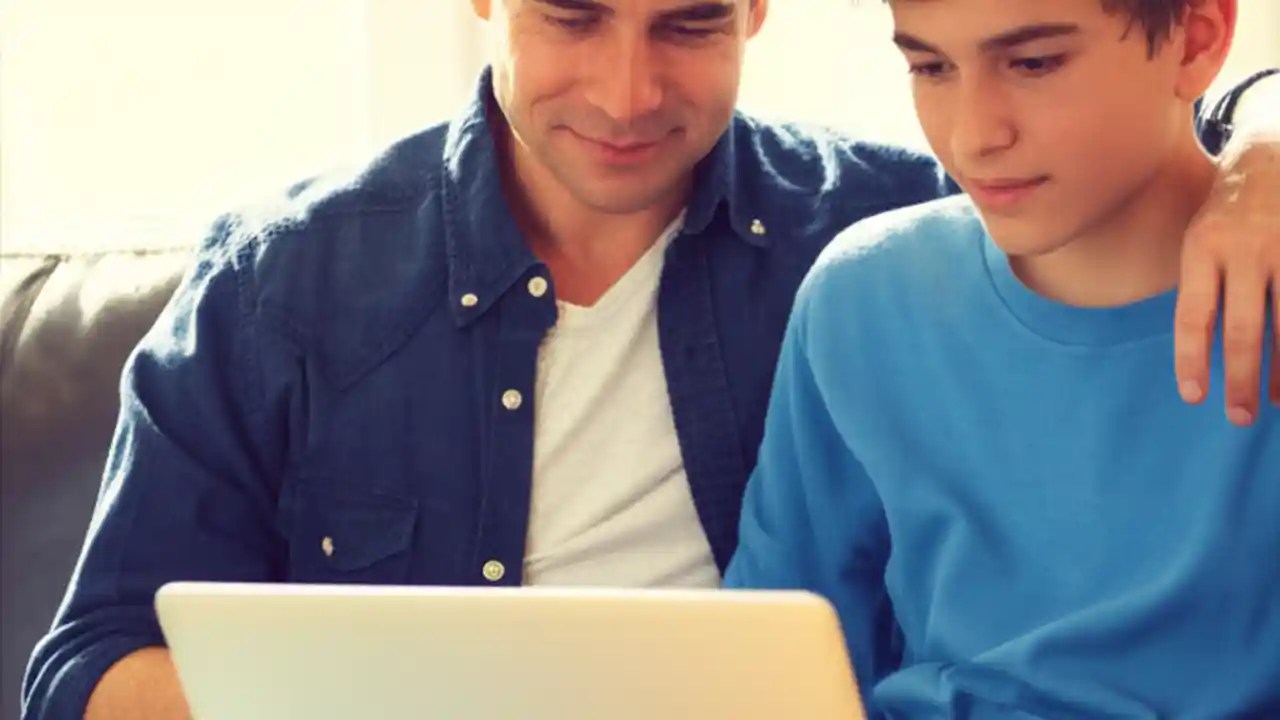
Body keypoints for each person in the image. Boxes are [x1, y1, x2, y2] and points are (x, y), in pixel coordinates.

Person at [20, 1, 1280, 718]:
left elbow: (1120, 140)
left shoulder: (871, 229)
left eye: (685, 23)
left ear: (754, 14)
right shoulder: (282, 280)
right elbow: (84, 667)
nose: (626, 95)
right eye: (573, 14)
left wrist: (1263, 157)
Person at [723, 0, 1278, 716]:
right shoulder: (864, 298)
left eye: (1034, 64)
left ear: (1197, 40)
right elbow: (767, 664)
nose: (973, 135)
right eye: (931, 67)